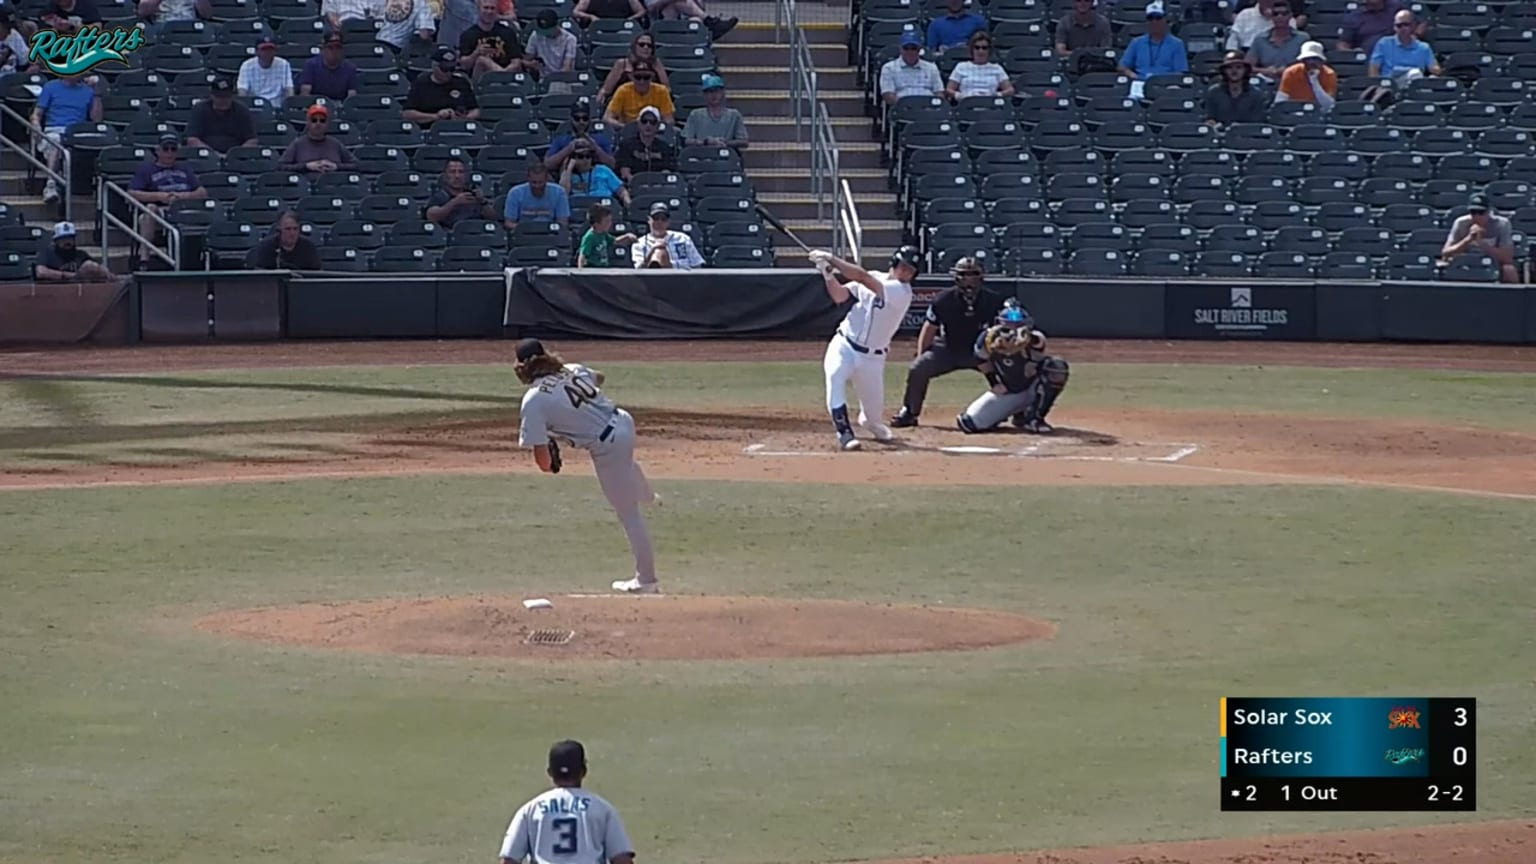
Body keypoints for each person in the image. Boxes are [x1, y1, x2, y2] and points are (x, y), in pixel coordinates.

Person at [513, 344, 662, 595]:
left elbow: (544, 464)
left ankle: (646, 580)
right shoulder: (571, 369)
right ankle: (648, 497)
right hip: (624, 421)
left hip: (608, 444)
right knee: (624, 466)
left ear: (521, 368)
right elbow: (599, 377)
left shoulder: (533, 400)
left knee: (628, 514)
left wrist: (553, 446)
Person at [808, 246, 916, 451]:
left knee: (872, 416)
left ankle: (871, 423)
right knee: (835, 376)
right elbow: (840, 296)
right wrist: (828, 274)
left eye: (911, 270)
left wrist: (832, 259)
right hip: (845, 344)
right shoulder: (875, 277)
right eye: (904, 267)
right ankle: (844, 432)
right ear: (894, 264)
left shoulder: (902, 292)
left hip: (873, 359)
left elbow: (862, 277)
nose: (906, 273)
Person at [889, 256, 1008, 428]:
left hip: (982, 350)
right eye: (964, 275)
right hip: (949, 348)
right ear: (956, 277)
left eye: (973, 274)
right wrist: (922, 354)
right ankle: (909, 411)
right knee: (918, 368)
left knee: (1010, 369)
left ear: (981, 276)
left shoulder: (994, 300)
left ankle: (1015, 412)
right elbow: (929, 328)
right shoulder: (943, 300)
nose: (969, 279)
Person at [498, 741, 638, 864]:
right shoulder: (602, 809)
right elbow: (622, 859)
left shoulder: (530, 809)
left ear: (549, 772)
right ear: (583, 771)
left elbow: (509, 859)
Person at [957, 301, 1071, 435]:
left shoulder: (1035, 337)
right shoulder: (987, 338)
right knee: (969, 423)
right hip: (1010, 390)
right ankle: (1011, 413)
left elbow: (1038, 342)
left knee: (1056, 367)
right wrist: (994, 382)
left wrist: (1026, 337)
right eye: (1009, 323)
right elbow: (980, 359)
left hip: (1033, 389)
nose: (1013, 327)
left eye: (1018, 323)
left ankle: (1034, 418)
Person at [128, 133, 207, 269]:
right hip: (161, 210)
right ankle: (144, 259)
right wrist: (159, 196)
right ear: (158, 150)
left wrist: (182, 196)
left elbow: (202, 192)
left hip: (185, 208)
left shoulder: (185, 168)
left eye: (173, 149)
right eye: (166, 148)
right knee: (149, 210)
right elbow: (132, 193)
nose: (170, 152)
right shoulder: (147, 169)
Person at [30, 70, 100, 205]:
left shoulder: (87, 91)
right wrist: (36, 126)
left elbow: (96, 119)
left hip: (78, 133)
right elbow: (37, 114)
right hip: (54, 130)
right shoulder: (50, 87)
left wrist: (96, 94)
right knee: (57, 141)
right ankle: (50, 184)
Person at [1441, 194, 1519, 284]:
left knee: (1509, 269)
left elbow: (1507, 258)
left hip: (1491, 264)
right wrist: (1468, 239)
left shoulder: (1501, 224)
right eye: (1473, 212)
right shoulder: (1461, 223)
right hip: (1464, 263)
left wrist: (1481, 243)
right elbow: (1445, 253)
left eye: (1481, 212)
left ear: (1488, 212)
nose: (1477, 216)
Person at [401, 47, 480, 126]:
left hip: (458, 127)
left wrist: (465, 118)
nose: (448, 73)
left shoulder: (461, 82)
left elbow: (475, 110)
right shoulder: (421, 84)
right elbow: (407, 114)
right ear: (434, 67)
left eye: (452, 69)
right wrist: (436, 116)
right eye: (444, 69)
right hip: (430, 129)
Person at [1119, 2, 1188, 83]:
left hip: (1166, 85)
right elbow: (1122, 66)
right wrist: (1132, 75)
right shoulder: (1136, 43)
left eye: (1158, 18)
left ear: (1165, 20)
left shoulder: (1177, 44)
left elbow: (1180, 72)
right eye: (1150, 18)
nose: (1154, 22)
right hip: (1140, 82)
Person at [277, 104, 357, 174]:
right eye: (314, 120)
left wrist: (336, 166)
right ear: (308, 122)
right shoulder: (298, 144)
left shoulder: (335, 144)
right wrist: (306, 166)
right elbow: (281, 167)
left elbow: (356, 165)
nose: (318, 124)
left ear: (327, 124)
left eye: (322, 121)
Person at [459, 0, 529, 80]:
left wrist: (505, 72)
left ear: (497, 11)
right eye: (486, 8)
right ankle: (501, 76)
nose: (489, 11)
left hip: (507, 78)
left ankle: (501, 76)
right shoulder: (468, 35)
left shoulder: (507, 32)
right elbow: (464, 65)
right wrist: (476, 53)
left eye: (492, 8)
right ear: (478, 10)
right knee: (482, 60)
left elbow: (516, 61)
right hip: (481, 81)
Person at [185, 77, 257, 153]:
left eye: (226, 97)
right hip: (206, 157)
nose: (223, 100)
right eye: (219, 97)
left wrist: (236, 154)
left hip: (236, 157)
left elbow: (252, 140)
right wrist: (212, 154)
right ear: (212, 95)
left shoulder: (241, 110)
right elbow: (192, 139)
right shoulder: (200, 109)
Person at [596, 32, 669, 107]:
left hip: (650, 104)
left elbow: (666, 88)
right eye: (641, 44)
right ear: (634, 47)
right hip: (623, 105)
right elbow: (606, 90)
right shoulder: (622, 64)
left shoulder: (656, 64)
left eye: (649, 45)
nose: (645, 47)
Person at [34, 221, 120, 282]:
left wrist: (106, 273)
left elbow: (98, 268)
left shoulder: (81, 255)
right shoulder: (47, 253)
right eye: (63, 239)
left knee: (90, 266)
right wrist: (70, 276)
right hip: (55, 292)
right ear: (56, 241)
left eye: (70, 238)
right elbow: (40, 272)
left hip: (80, 293)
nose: (67, 242)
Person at [1244, 1, 1309, 83]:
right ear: (1271, 17)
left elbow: (1311, 65)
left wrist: (1289, 70)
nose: (1280, 17)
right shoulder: (1260, 39)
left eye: (1284, 14)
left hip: (1295, 84)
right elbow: (1247, 67)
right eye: (1276, 14)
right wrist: (1266, 71)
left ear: (1290, 16)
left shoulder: (1303, 39)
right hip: (1266, 85)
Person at [423, 157, 497, 227]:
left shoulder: (473, 195)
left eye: (461, 172)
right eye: (452, 172)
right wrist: (455, 202)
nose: (457, 176)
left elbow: (493, 219)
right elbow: (431, 216)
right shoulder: (440, 196)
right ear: (445, 176)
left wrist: (482, 201)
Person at [880, 27, 944, 105]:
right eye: (906, 48)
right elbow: (888, 95)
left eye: (913, 48)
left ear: (919, 49)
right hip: (903, 108)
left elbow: (939, 93)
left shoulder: (931, 67)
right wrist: (907, 106)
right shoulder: (889, 68)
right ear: (900, 49)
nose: (910, 52)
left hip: (928, 109)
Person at [1367, 9, 1438, 81]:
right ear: (1394, 27)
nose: (1402, 28)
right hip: (1390, 85)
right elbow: (1373, 69)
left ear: (1413, 25)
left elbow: (1435, 69)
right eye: (1399, 26)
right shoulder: (1384, 43)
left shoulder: (1423, 47)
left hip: (1414, 85)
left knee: (1416, 74)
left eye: (1406, 25)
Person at [546, 101, 616, 172]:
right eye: (577, 118)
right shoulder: (561, 139)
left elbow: (612, 164)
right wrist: (568, 149)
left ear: (589, 119)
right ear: (571, 119)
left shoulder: (599, 138)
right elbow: (548, 164)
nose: (581, 122)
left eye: (585, 118)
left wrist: (595, 148)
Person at [628, 202, 702, 269]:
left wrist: (671, 265)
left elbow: (697, 265)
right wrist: (652, 250)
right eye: (656, 218)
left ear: (668, 222)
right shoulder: (640, 243)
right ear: (649, 220)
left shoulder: (682, 238)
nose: (660, 222)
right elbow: (639, 270)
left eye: (663, 219)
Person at [682, 74, 747, 150]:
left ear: (722, 92)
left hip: (726, 155)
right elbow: (686, 140)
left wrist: (725, 143)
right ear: (704, 95)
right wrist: (705, 142)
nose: (714, 95)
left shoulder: (734, 115)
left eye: (717, 91)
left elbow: (744, 141)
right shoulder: (695, 114)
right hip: (701, 155)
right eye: (710, 91)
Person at [603, 59, 674, 128]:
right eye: (638, 77)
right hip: (628, 131)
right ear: (631, 77)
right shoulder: (623, 90)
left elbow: (669, 120)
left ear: (652, 77)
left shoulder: (661, 91)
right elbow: (607, 118)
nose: (642, 81)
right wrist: (624, 127)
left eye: (646, 77)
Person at [613, 106, 677, 181]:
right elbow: (625, 172)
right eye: (644, 121)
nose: (648, 125)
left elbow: (668, 172)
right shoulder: (626, 145)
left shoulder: (665, 148)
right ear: (639, 124)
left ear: (658, 126)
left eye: (652, 122)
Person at [945, 30, 1013, 101]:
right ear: (972, 49)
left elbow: (1010, 90)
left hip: (990, 104)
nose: (981, 51)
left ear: (989, 50)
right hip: (966, 104)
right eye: (977, 47)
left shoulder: (997, 68)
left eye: (984, 48)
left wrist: (996, 95)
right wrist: (961, 96)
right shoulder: (961, 67)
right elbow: (949, 90)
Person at [503, 160, 570, 232]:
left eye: (540, 182)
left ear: (546, 179)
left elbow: (563, 223)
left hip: (551, 234)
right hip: (524, 234)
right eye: (534, 182)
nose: (537, 186)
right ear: (528, 179)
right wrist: (529, 229)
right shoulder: (515, 193)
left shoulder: (559, 192)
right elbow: (508, 223)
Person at [1204, 50, 1268, 125]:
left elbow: (1258, 123)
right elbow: (1209, 118)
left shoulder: (1256, 94)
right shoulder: (1214, 92)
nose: (1234, 71)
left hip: (1248, 134)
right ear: (1224, 71)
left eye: (1238, 67)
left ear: (1245, 70)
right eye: (1230, 67)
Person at [245, 210, 323, 269]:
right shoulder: (266, 247)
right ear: (279, 230)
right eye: (288, 229)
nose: (292, 233)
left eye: (295, 229)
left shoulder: (308, 248)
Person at [559, 141, 628, 204]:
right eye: (580, 157)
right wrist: (569, 168)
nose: (585, 160)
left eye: (588, 156)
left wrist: (626, 200)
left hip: (604, 206)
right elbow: (563, 194)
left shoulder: (603, 170)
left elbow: (621, 191)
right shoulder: (568, 175)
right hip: (580, 207)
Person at [299, 31, 361, 100]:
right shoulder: (311, 65)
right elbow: (305, 93)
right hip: (316, 105)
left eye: (338, 47)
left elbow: (351, 96)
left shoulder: (350, 68)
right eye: (330, 47)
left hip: (340, 105)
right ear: (323, 49)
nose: (334, 51)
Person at [1275, 40, 1335, 109]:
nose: (1311, 62)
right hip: (1295, 111)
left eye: (1315, 59)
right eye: (1308, 59)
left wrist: (1314, 83)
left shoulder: (1329, 74)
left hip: (1319, 112)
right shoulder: (1291, 72)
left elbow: (1328, 105)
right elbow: (1280, 100)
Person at [526, 9, 578, 87]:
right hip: (542, 78)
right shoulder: (536, 35)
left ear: (556, 25)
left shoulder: (570, 39)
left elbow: (566, 68)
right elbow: (526, 59)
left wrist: (552, 80)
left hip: (563, 79)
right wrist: (531, 65)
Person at [238, 35, 294, 106]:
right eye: (264, 49)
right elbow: (242, 90)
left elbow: (288, 89)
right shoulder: (247, 65)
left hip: (277, 106)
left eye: (270, 49)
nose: (267, 52)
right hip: (255, 105)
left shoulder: (284, 64)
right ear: (257, 52)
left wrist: (290, 106)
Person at [577, 203, 635, 267]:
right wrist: (581, 272)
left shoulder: (603, 234)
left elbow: (615, 241)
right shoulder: (589, 237)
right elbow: (582, 256)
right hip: (593, 269)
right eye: (607, 221)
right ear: (596, 223)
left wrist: (627, 236)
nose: (610, 224)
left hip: (604, 268)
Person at [1337, 0, 1402, 55]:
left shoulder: (1397, 10)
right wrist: (1354, 53)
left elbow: (1410, 33)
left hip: (1396, 54)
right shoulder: (1354, 17)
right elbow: (1343, 45)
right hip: (1366, 57)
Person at [572, 0, 644, 27]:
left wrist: (630, 19)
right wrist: (590, 16)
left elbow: (641, 11)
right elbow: (576, 12)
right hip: (597, 27)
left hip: (622, 27)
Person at [0, 8, 30, 73]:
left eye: (9, 27)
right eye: (5, 27)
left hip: (12, 79)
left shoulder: (13, 35)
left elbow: (25, 60)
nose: (8, 31)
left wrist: (34, 66)